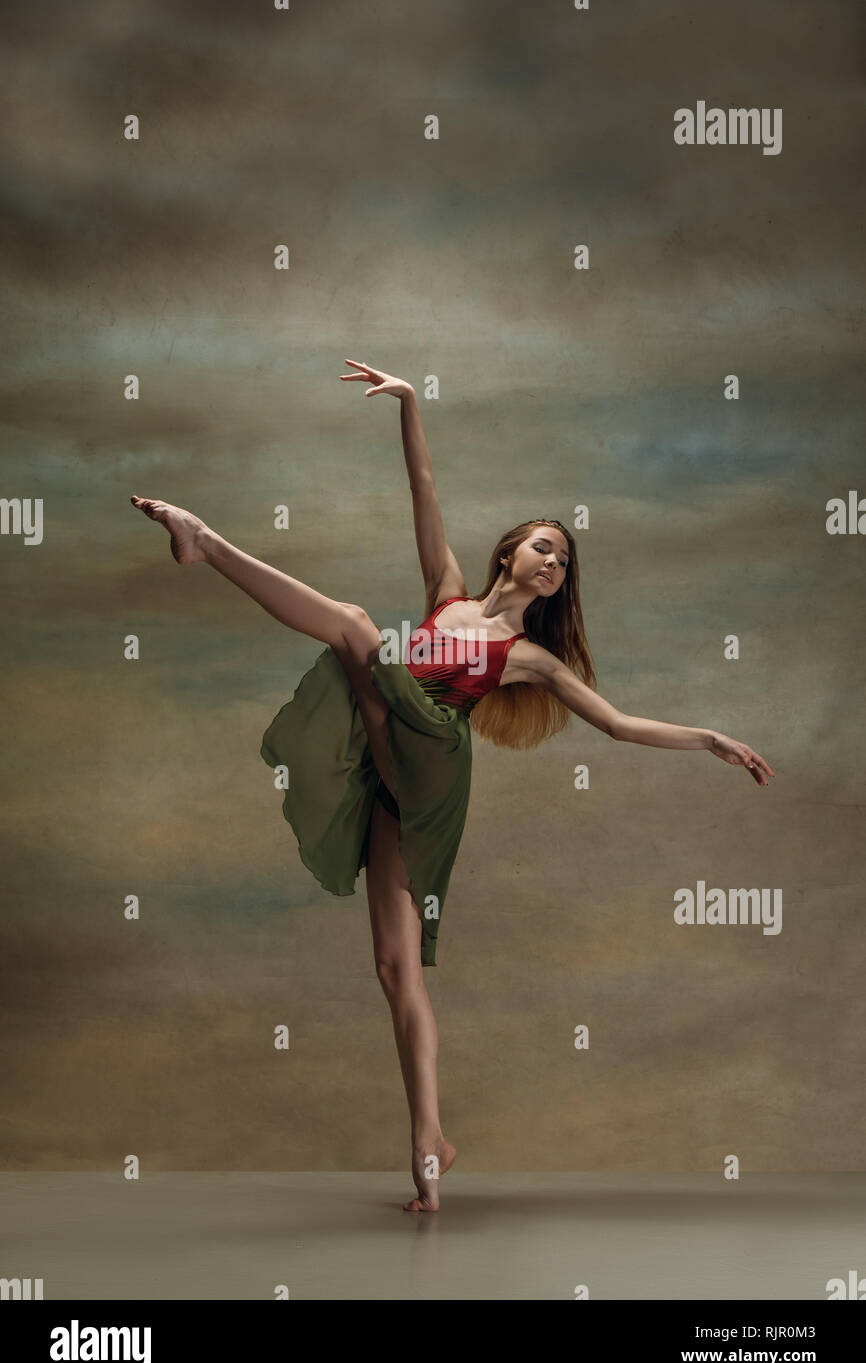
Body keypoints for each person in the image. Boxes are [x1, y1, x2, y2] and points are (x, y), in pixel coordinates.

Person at [130, 358, 775, 1212]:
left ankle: (203, 540)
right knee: (396, 969)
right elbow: (422, 490)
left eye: (566, 562)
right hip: (390, 760)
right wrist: (411, 402)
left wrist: (710, 739)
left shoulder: (529, 657)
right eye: (547, 545)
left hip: (433, 758)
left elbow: (617, 724)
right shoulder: (448, 594)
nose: (555, 563)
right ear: (511, 549)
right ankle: (430, 1145)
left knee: (360, 629)